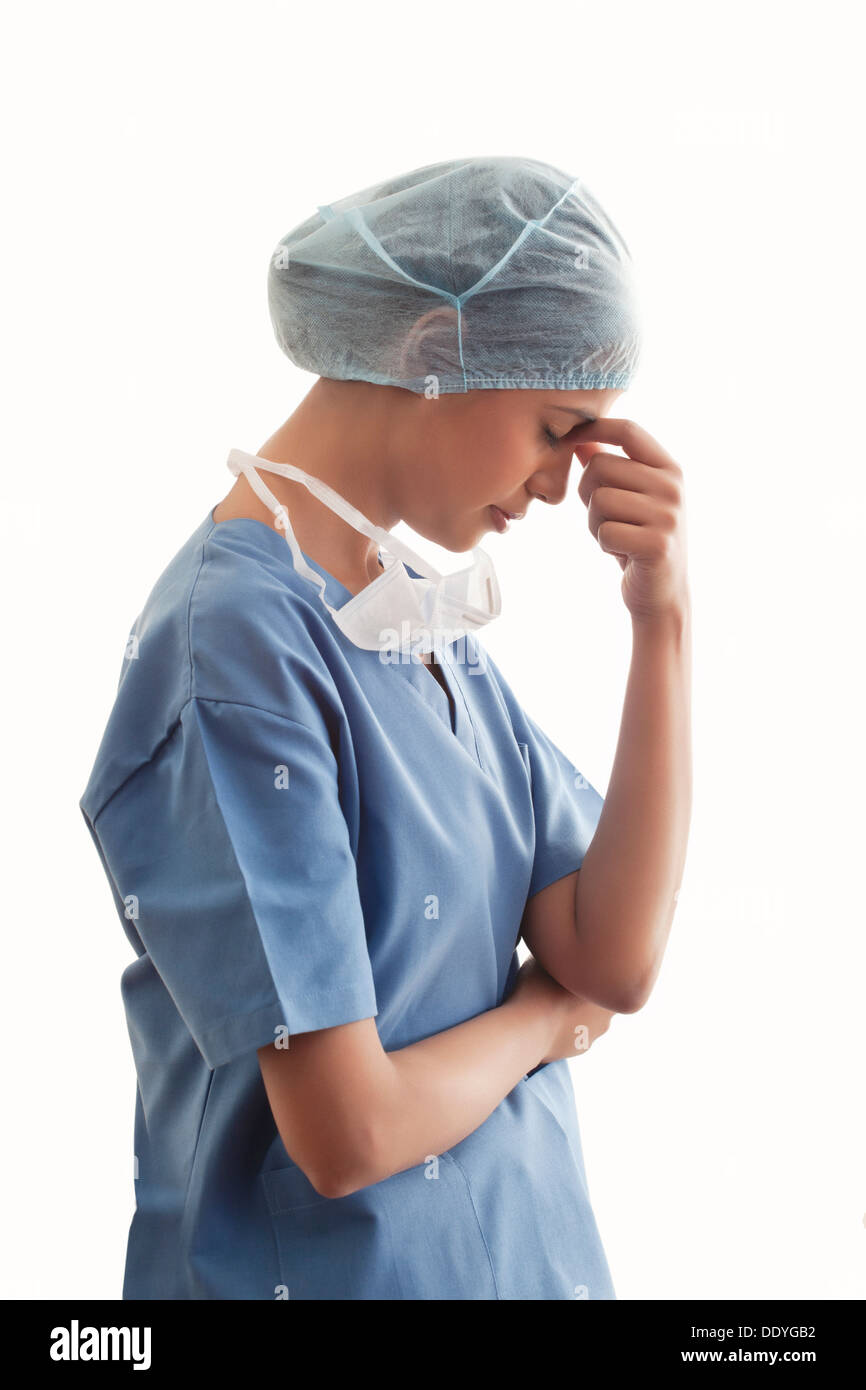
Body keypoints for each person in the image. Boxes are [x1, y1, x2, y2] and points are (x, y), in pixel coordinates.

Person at [78, 156, 692, 1300]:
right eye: (558, 427)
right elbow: (346, 1132)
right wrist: (540, 1023)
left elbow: (611, 955)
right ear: (432, 350)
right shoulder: (237, 644)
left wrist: (660, 615)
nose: (565, 486)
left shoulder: (404, 616)